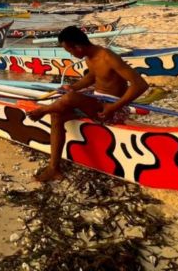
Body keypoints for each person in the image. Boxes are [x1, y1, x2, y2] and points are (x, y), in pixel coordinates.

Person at [26, 25, 149, 182]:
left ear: (78, 47)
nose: (70, 54)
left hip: (111, 109)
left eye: (70, 51)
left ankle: (42, 110)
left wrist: (114, 107)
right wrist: (73, 86)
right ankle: (54, 169)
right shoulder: (90, 57)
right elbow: (92, 77)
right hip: (97, 103)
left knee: (70, 98)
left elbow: (140, 84)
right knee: (57, 114)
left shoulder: (107, 57)